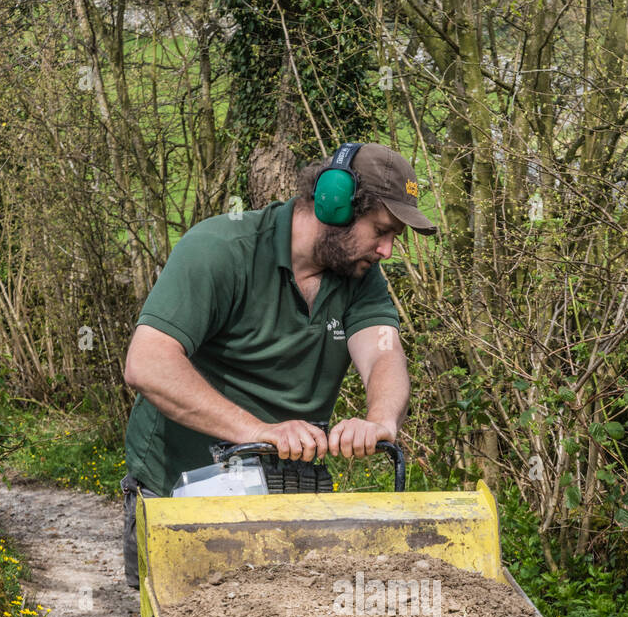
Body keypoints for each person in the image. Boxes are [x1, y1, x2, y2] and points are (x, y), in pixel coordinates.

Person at [121, 142, 438, 588]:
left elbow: (383, 351)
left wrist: (380, 419)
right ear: (334, 204)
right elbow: (147, 364)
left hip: (289, 489)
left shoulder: (360, 278)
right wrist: (258, 432)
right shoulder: (220, 249)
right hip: (184, 491)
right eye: (380, 231)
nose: (386, 250)